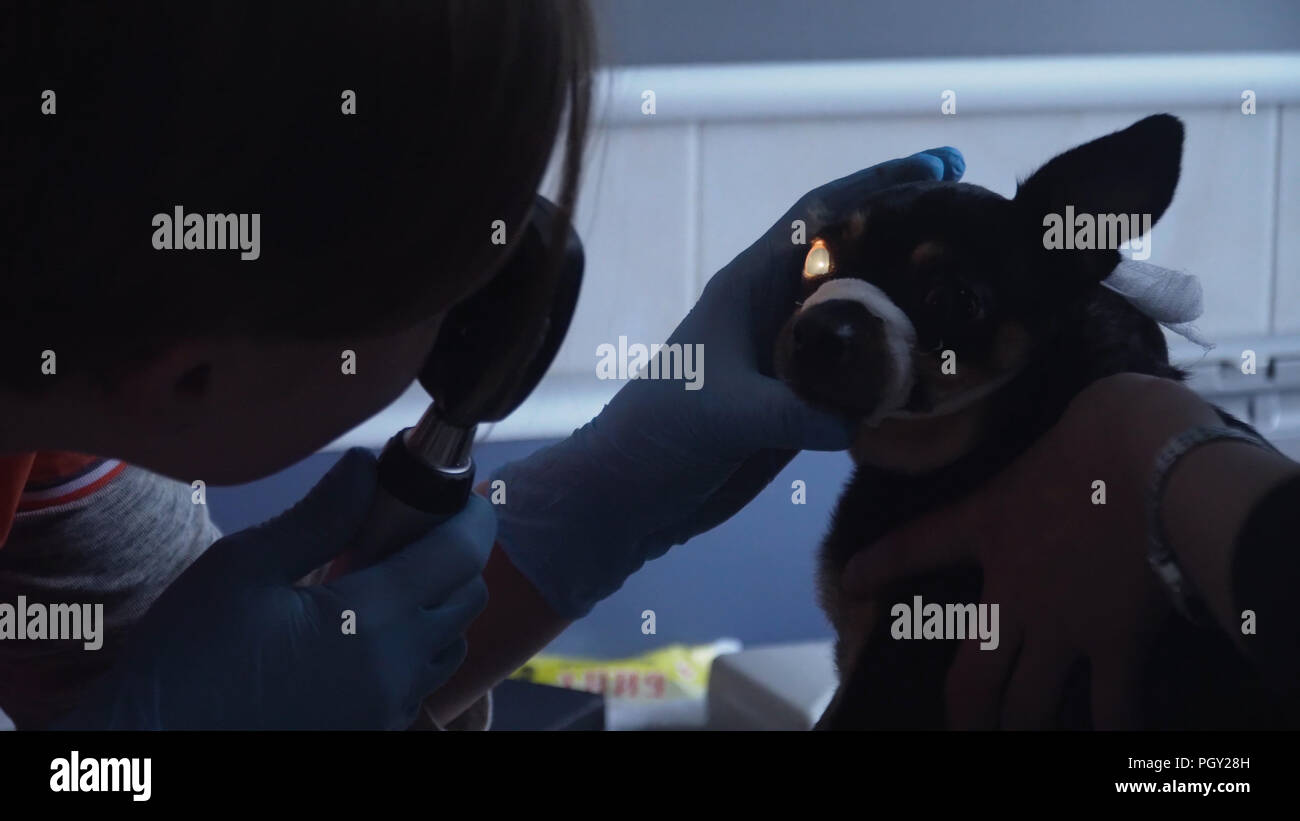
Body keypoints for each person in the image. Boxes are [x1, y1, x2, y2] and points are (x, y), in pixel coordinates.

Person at [1, 0, 962, 729]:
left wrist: (609, 495)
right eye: (454, 276)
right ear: (191, 380)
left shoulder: (64, 420)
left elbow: (271, 688)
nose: (493, 295)